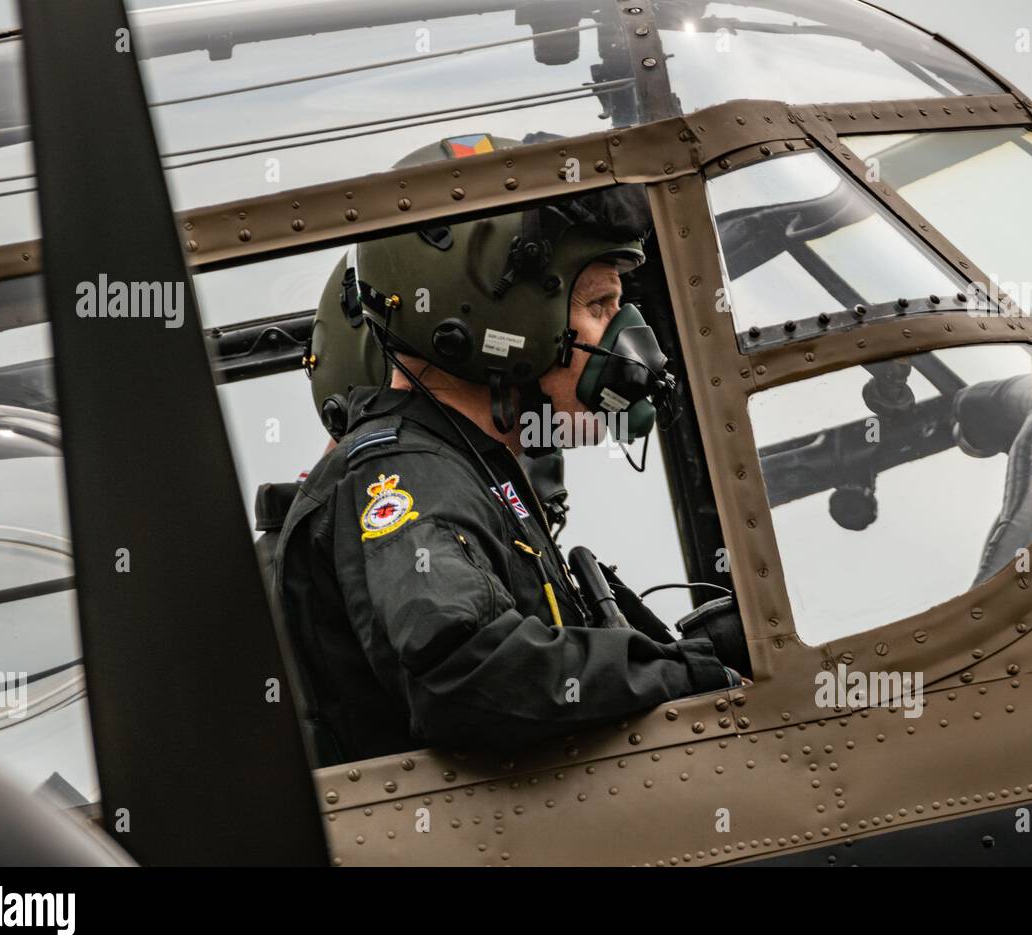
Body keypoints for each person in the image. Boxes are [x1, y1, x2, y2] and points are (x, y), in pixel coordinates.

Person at [271, 135, 751, 765]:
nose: (623, 334)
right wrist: (679, 676)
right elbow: (465, 668)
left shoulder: (472, 464)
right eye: (600, 304)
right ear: (514, 312)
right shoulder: (405, 471)